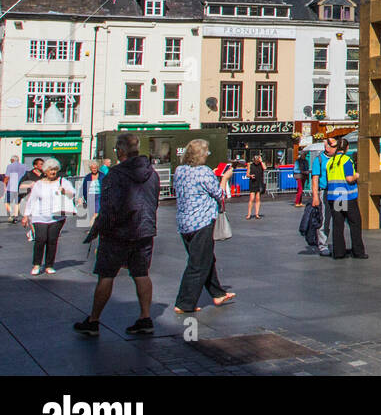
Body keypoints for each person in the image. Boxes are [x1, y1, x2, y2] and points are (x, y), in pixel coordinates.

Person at [74, 133, 160, 336]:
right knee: (141, 273)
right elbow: (153, 202)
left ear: (120, 151)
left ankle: (93, 320)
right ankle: (145, 317)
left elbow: (109, 207)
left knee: (106, 274)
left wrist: (97, 230)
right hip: (144, 230)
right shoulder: (152, 173)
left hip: (118, 233)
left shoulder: (115, 174)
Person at [172, 139, 236, 314]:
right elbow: (220, 194)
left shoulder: (179, 171)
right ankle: (184, 303)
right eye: (206, 152)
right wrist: (224, 178)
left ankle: (217, 293)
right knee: (197, 264)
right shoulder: (204, 172)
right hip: (202, 222)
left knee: (206, 258)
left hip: (184, 222)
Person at [20, 158, 76, 275]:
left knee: (52, 240)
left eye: (55, 170)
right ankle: (37, 265)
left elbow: (73, 193)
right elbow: (32, 200)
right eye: (51, 170)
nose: (53, 172)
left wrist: (64, 191)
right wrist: (26, 215)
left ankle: (49, 265)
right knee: (40, 240)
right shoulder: (38, 184)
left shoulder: (62, 181)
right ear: (45, 171)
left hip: (57, 217)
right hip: (39, 216)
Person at [320, 138, 366, 259]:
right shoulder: (346, 160)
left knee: (338, 224)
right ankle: (358, 251)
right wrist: (357, 175)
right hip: (347, 196)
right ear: (346, 148)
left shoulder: (330, 162)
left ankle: (339, 252)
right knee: (355, 223)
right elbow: (349, 178)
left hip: (335, 196)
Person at [4, 155, 28, 220]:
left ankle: (11, 214)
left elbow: (7, 177)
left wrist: (4, 185)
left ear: (12, 160)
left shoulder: (10, 166)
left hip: (11, 186)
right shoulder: (24, 166)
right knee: (17, 202)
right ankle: (15, 215)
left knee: (7, 201)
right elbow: (27, 176)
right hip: (21, 186)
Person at [246, 153, 267, 219]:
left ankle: (257, 214)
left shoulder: (261, 164)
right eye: (256, 160)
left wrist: (261, 161)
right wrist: (250, 176)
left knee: (258, 198)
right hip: (253, 182)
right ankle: (249, 214)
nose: (256, 162)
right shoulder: (250, 165)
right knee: (251, 198)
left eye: (257, 160)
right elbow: (247, 174)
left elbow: (265, 168)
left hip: (259, 182)